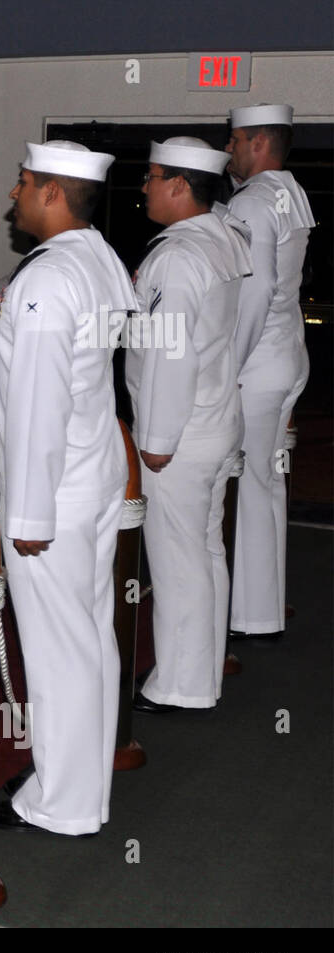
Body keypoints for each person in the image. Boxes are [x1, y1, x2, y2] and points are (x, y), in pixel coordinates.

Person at [0, 140, 136, 837]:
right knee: (89, 630)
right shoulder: (97, 257)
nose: (13, 193)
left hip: (57, 488)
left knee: (57, 645)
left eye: (23, 182)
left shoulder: (48, 281)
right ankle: (84, 766)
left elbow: (39, 402)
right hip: (93, 470)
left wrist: (27, 511)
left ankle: (64, 800)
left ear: (52, 192)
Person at [127, 138, 251, 712]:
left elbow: (167, 357)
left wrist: (154, 442)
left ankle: (181, 684)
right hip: (217, 415)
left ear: (180, 185)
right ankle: (203, 670)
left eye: (152, 177)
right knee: (204, 550)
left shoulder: (176, 257)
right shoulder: (223, 237)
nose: (145, 186)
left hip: (182, 430)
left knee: (179, 558)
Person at [225, 103, 315, 638]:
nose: (230, 149)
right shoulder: (291, 192)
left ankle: (250, 616)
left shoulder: (255, 200)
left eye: (235, 140)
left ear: (258, 142)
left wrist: (227, 365)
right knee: (269, 482)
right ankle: (265, 603)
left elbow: (254, 289)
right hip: (286, 354)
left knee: (251, 482)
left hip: (257, 362)